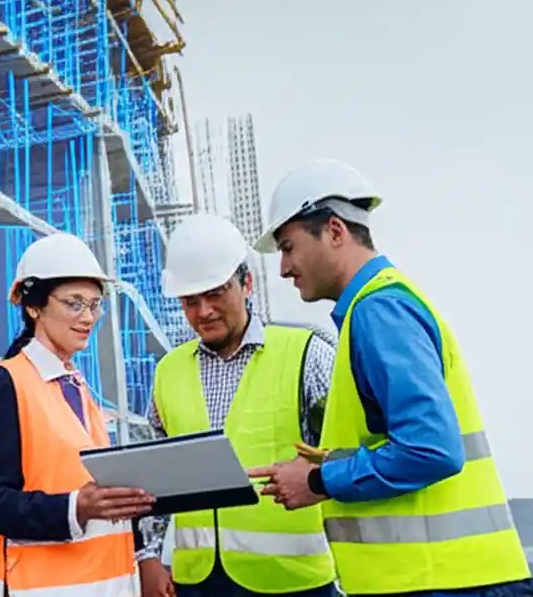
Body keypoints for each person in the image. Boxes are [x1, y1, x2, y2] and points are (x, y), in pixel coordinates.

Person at [248, 158, 532, 597]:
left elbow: (431, 449)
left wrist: (318, 481)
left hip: (442, 583)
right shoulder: (376, 307)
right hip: (444, 579)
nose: (284, 268)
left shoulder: (379, 311)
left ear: (336, 231)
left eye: (288, 247)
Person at [136, 213, 337, 597]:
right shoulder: (168, 372)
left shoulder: (307, 353)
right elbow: (157, 478)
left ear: (246, 284)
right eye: (190, 301)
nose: (204, 311)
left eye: (215, 293)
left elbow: (347, 454)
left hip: (292, 582)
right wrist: (148, 556)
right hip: (196, 582)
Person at [0, 231, 156, 596]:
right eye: (74, 303)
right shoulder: (6, 382)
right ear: (33, 306)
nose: (89, 317)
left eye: (95, 304)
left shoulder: (76, 386)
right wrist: (76, 506)